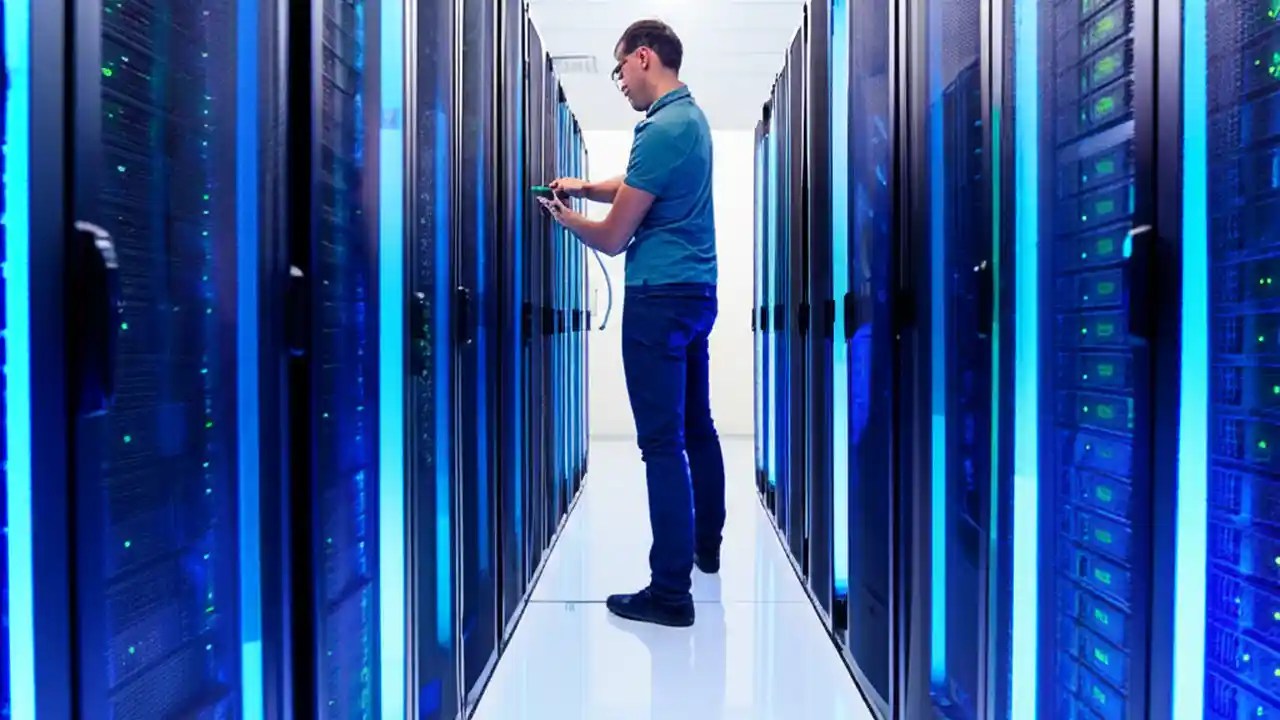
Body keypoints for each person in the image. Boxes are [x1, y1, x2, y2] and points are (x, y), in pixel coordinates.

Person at [537, 18, 724, 628]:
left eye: (619, 69)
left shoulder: (658, 128)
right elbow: (639, 185)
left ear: (643, 58)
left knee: (660, 444)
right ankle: (705, 549)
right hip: (695, 295)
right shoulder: (689, 120)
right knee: (697, 427)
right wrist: (587, 187)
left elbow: (616, 237)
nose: (619, 82)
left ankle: (669, 593)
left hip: (657, 299)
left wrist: (566, 217)